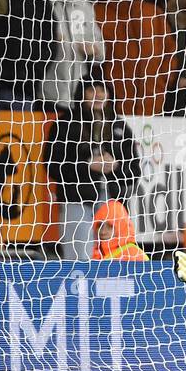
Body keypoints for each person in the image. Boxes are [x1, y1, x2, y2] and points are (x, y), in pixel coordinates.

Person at [45, 78, 139, 260]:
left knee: (112, 257)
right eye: (91, 90)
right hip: (76, 199)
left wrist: (115, 167)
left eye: (102, 90)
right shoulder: (65, 124)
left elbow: (134, 169)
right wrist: (87, 165)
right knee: (78, 259)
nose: (98, 95)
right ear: (82, 94)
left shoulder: (120, 127)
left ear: (110, 95)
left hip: (112, 203)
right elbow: (52, 165)